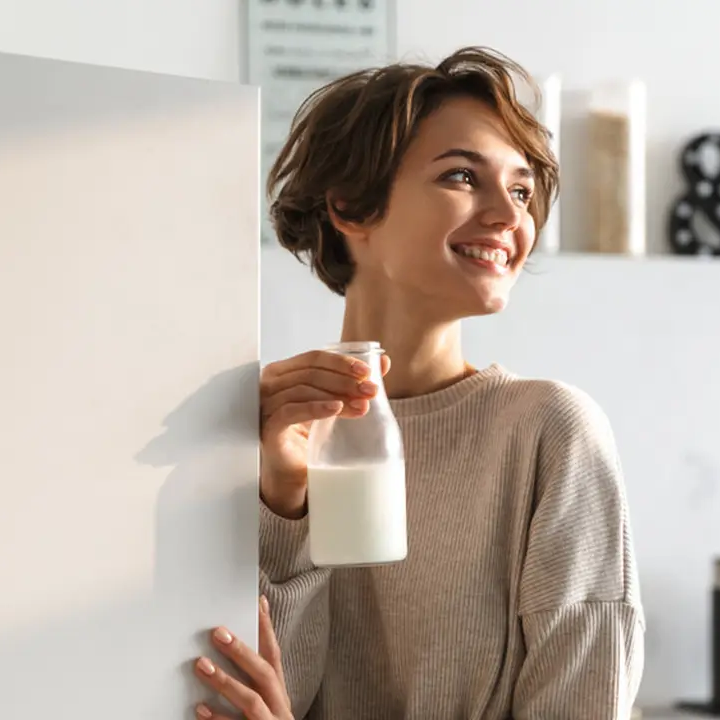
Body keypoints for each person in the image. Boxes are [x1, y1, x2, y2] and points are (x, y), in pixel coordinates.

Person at [190, 46, 645, 719]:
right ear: (351, 206)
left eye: (521, 190)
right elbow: (232, 690)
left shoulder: (550, 431)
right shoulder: (264, 429)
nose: (508, 217)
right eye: (464, 176)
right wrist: (282, 504)